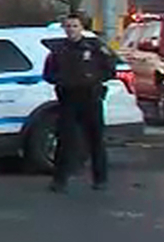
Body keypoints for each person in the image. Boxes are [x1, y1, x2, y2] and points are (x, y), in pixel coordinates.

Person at [42, 12, 115, 192]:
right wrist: (62, 80)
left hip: (90, 97)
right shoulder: (58, 50)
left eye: (75, 26)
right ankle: (60, 180)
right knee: (65, 141)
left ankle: (100, 179)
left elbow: (110, 69)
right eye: (68, 26)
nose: (71, 30)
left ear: (82, 28)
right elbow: (48, 74)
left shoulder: (94, 48)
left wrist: (93, 79)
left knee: (96, 140)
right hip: (68, 99)